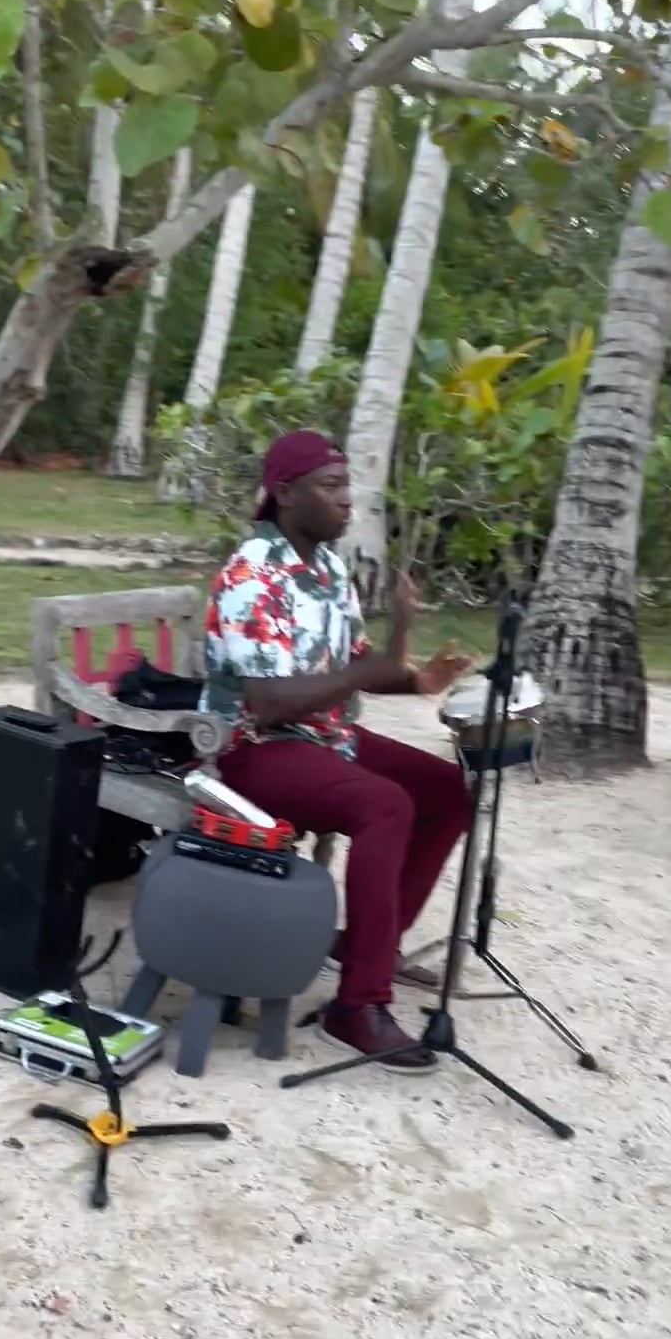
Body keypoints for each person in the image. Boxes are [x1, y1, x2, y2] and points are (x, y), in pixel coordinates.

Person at [201, 429, 473, 1072]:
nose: (348, 501)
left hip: (323, 737)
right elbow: (267, 702)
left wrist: (416, 676)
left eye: (347, 486)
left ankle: (366, 952)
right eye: (331, 487)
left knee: (449, 792)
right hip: (250, 746)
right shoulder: (251, 576)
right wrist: (366, 673)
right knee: (384, 806)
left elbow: (353, 665)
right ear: (286, 494)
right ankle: (357, 1007)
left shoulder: (326, 569)